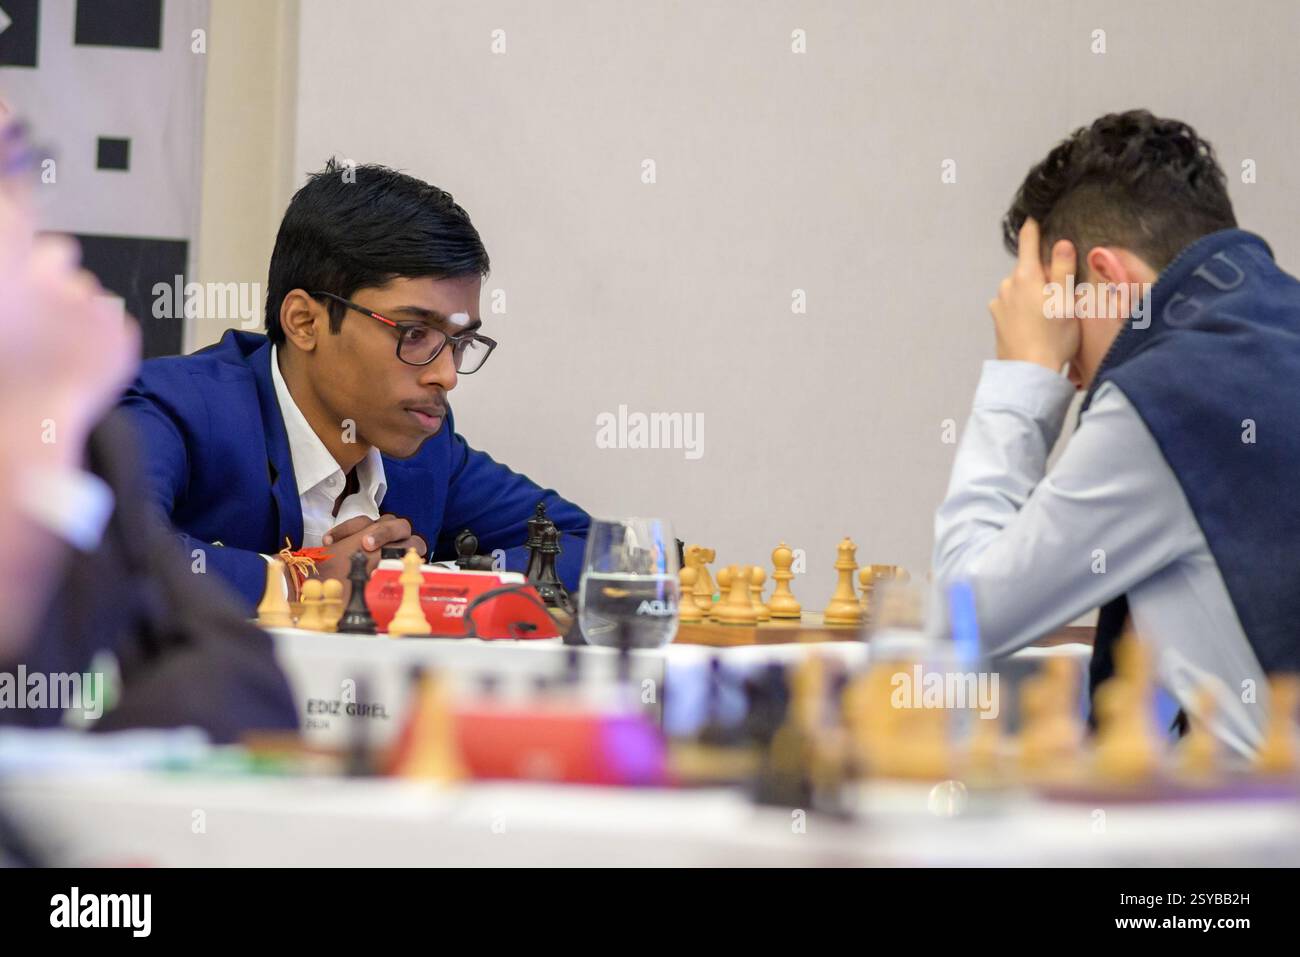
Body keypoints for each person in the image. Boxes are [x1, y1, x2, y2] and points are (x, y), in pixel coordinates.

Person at [932, 110, 1300, 756]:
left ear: (1105, 279)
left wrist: (1022, 377)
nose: (1071, 372)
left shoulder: (1166, 396)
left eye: (1059, 319)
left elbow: (964, 616)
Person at [120, 160, 591, 611]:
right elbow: (104, 555)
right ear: (305, 322)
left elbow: (586, 547)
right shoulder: (174, 409)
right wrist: (305, 581)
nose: (445, 374)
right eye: (413, 333)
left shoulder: (426, 450)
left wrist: (421, 581)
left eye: (460, 341)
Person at [0, 117, 297, 742]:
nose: (50, 238)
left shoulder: (88, 442)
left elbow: (244, 682)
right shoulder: (163, 404)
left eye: (21, 168)